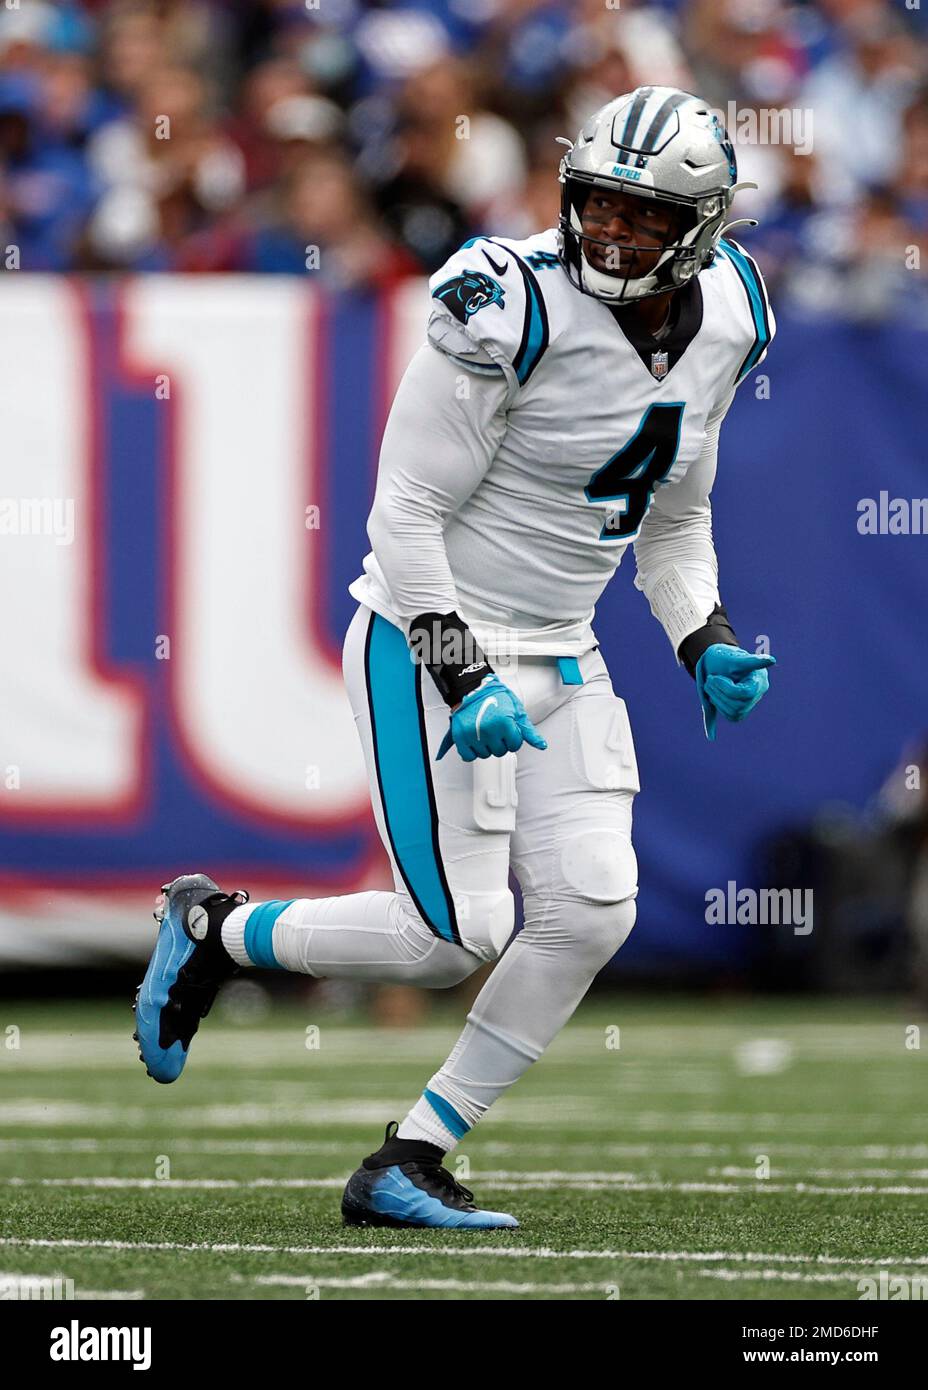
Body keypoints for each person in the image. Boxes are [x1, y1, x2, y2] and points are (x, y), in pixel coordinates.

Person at [133, 86, 776, 1231]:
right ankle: (211, 930)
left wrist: (703, 631)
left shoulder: (731, 312)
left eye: (641, 216)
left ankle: (411, 1156)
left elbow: (674, 516)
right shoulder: (505, 301)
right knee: (453, 937)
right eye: (597, 206)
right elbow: (402, 518)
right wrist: (464, 673)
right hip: (426, 633)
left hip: (562, 648)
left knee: (590, 908)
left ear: (703, 227)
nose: (611, 233)